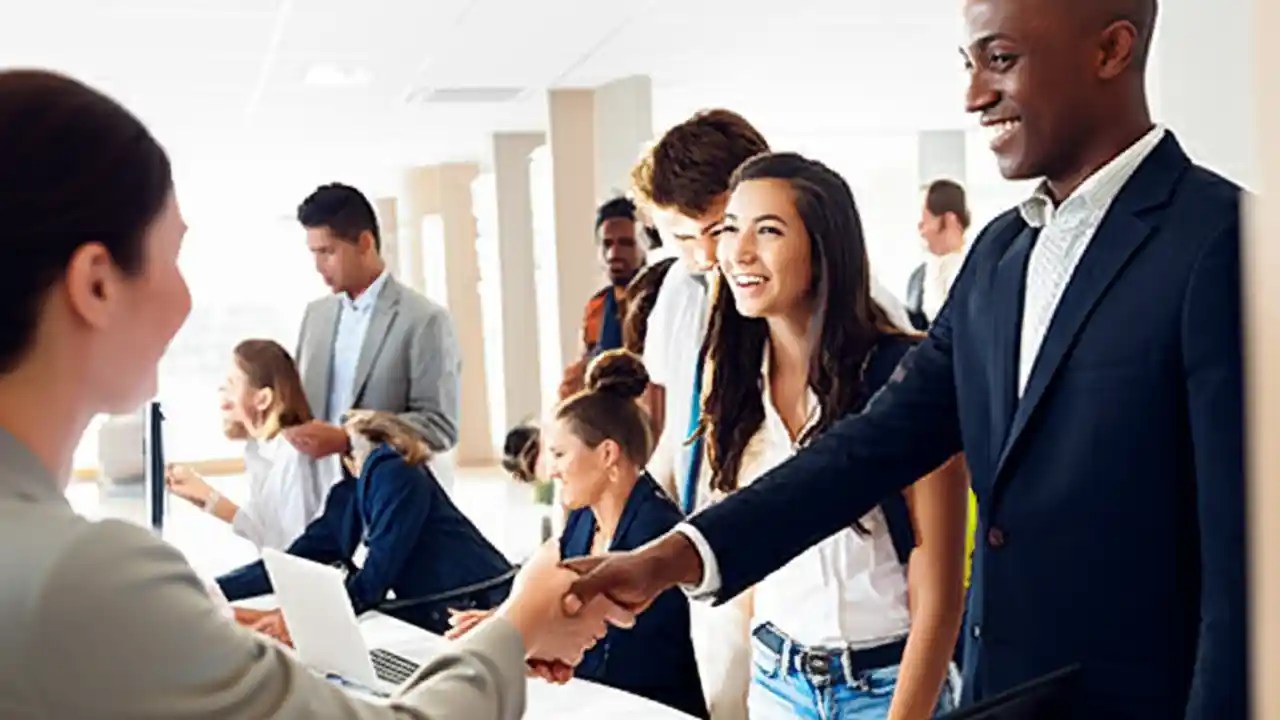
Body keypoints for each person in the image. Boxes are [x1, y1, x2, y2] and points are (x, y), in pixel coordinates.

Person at [561, 0, 1248, 717]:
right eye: (968, 64)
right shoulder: (997, 256)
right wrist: (671, 558)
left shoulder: (1225, 242)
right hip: (999, 694)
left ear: (1110, 50)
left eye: (1001, 60)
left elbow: (1248, 566)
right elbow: (869, 448)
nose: (974, 95)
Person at [0, 68, 632, 719]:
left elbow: (435, 428)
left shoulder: (421, 327)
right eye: (173, 254)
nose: (187, 298)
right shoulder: (82, 577)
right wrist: (519, 623)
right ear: (97, 285)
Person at [699, 152, 965, 719]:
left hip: (888, 685)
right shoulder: (734, 384)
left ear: (824, 251)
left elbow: (938, 586)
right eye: (731, 229)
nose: (738, 252)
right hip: (777, 681)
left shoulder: (904, 375)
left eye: (768, 231)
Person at [452, 351, 708, 719]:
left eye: (559, 454)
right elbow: (563, 609)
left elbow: (618, 658)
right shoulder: (583, 520)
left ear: (607, 454)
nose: (552, 471)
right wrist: (506, 622)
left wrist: (516, 637)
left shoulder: (657, 535)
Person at [219, 411, 515, 635]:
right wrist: (210, 589)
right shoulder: (351, 495)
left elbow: (374, 580)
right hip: (446, 612)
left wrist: (300, 619)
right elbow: (291, 562)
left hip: (481, 603)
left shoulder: (395, 472)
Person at [287, 183, 461, 471]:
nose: (318, 266)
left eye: (327, 252)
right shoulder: (315, 316)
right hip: (315, 496)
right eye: (313, 253)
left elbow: (439, 426)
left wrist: (348, 439)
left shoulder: (425, 320)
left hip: (384, 496)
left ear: (365, 243)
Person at [166, 339, 341, 551]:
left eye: (232, 384)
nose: (222, 389)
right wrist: (204, 496)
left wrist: (209, 497)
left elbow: (293, 543)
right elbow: (262, 530)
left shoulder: (292, 453)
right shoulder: (257, 449)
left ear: (263, 399)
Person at [558, 196, 647, 399]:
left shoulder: (657, 301)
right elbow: (586, 364)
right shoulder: (596, 307)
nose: (614, 253)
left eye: (625, 243)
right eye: (607, 244)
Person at [906, 179, 970, 331]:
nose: (920, 227)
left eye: (925, 218)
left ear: (949, 219)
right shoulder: (919, 278)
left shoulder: (976, 271)